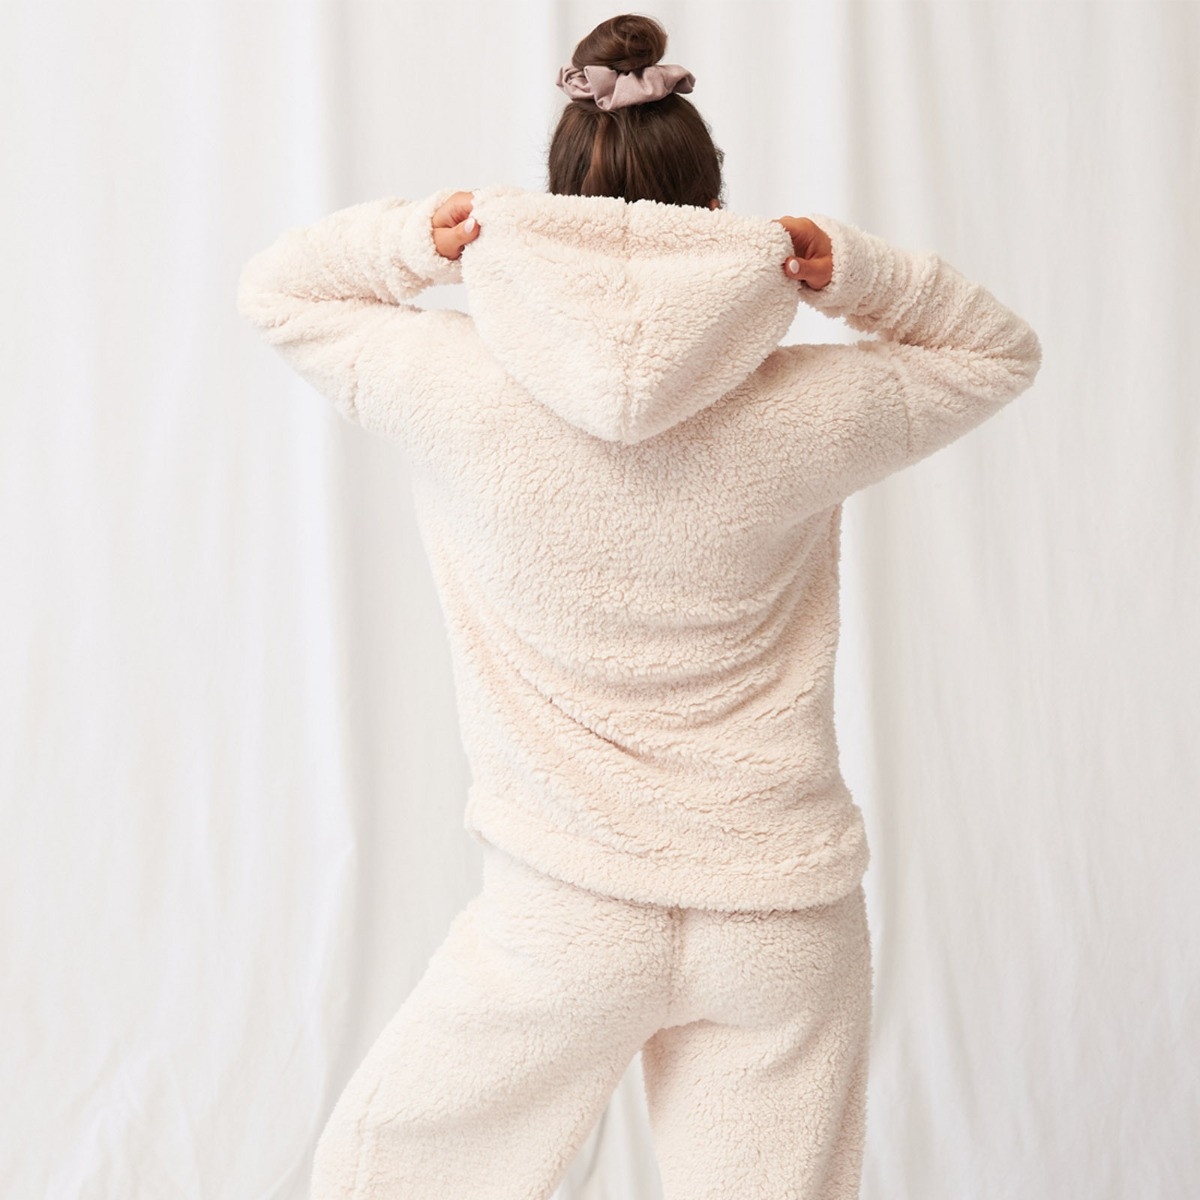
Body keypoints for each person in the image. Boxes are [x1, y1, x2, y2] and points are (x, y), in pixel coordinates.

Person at [236, 13, 1042, 1200]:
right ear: (716, 208)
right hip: (781, 912)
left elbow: (281, 290)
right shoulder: (805, 409)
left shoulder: (452, 386)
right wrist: (856, 269)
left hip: (569, 915)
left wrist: (413, 242)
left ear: (550, 202)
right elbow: (996, 353)